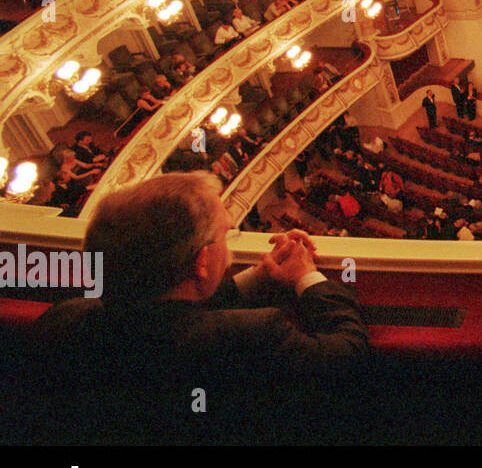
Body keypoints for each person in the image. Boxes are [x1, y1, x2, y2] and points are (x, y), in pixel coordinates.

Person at [19, 172, 369, 444]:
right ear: (202, 261)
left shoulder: (65, 317)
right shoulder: (253, 335)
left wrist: (260, 275)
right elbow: (348, 353)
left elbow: (166, 313)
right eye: (225, 236)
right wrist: (307, 274)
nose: (229, 249)